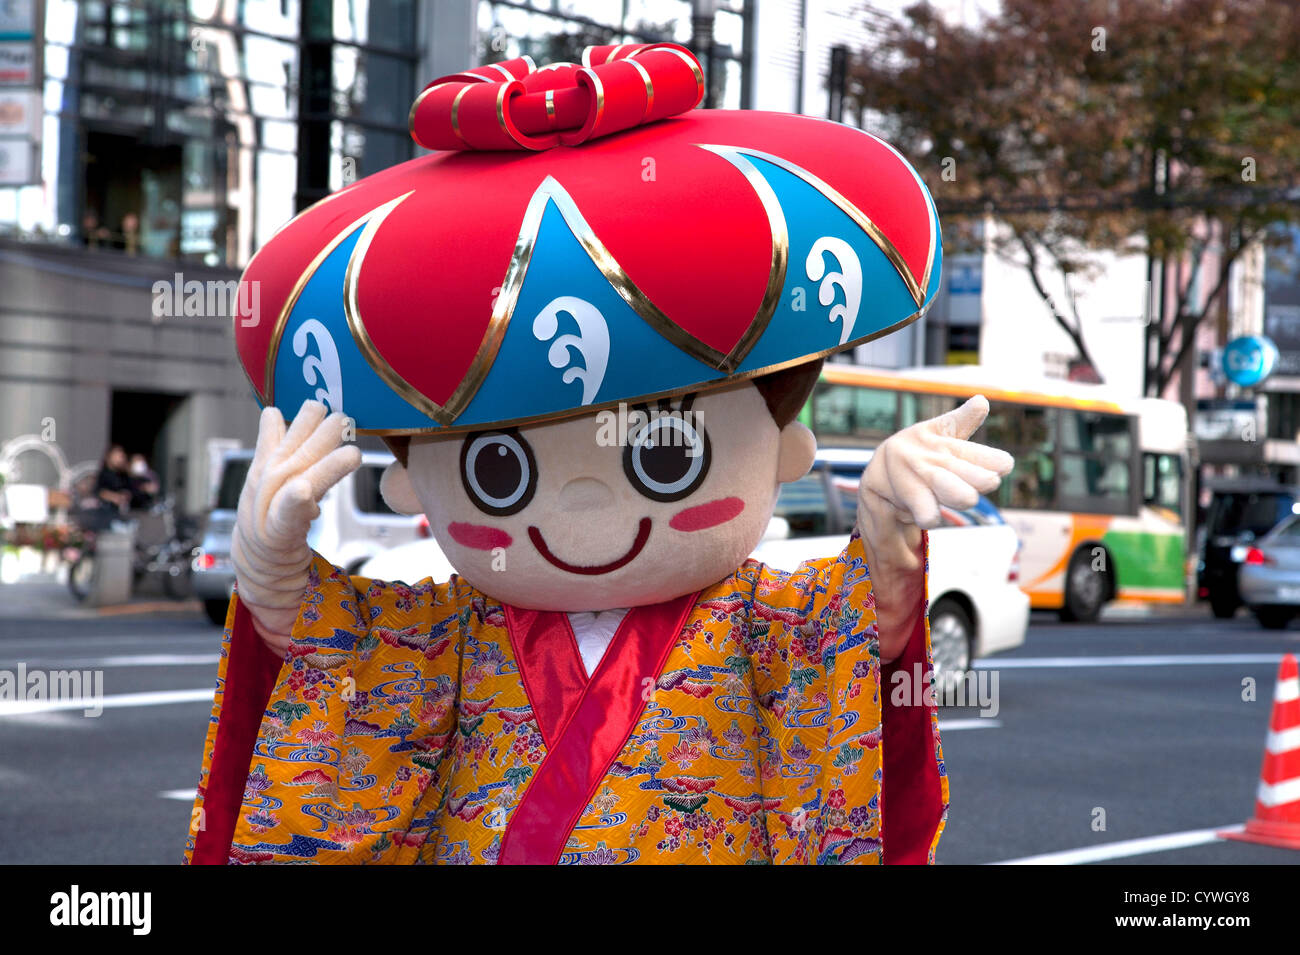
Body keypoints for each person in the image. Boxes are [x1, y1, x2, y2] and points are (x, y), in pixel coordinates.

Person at [185, 43, 1014, 865]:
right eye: (498, 469)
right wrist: (273, 571)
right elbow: (343, 660)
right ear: (408, 483)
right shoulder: (453, 640)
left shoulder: (762, 627)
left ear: (784, 445)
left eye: (666, 452)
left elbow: (856, 649)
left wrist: (886, 544)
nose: (580, 499)